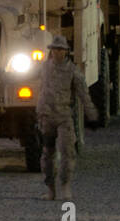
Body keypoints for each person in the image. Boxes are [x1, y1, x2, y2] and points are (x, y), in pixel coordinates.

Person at [37, 34, 97, 201]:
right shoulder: (44, 67)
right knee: (47, 154)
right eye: (54, 49)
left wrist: (90, 113)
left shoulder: (72, 71)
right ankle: (50, 189)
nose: (56, 52)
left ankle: (65, 186)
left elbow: (83, 93)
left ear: (66, 52)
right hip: (46, 117)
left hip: (64, 116)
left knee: (67, 152)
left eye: (60, 50)